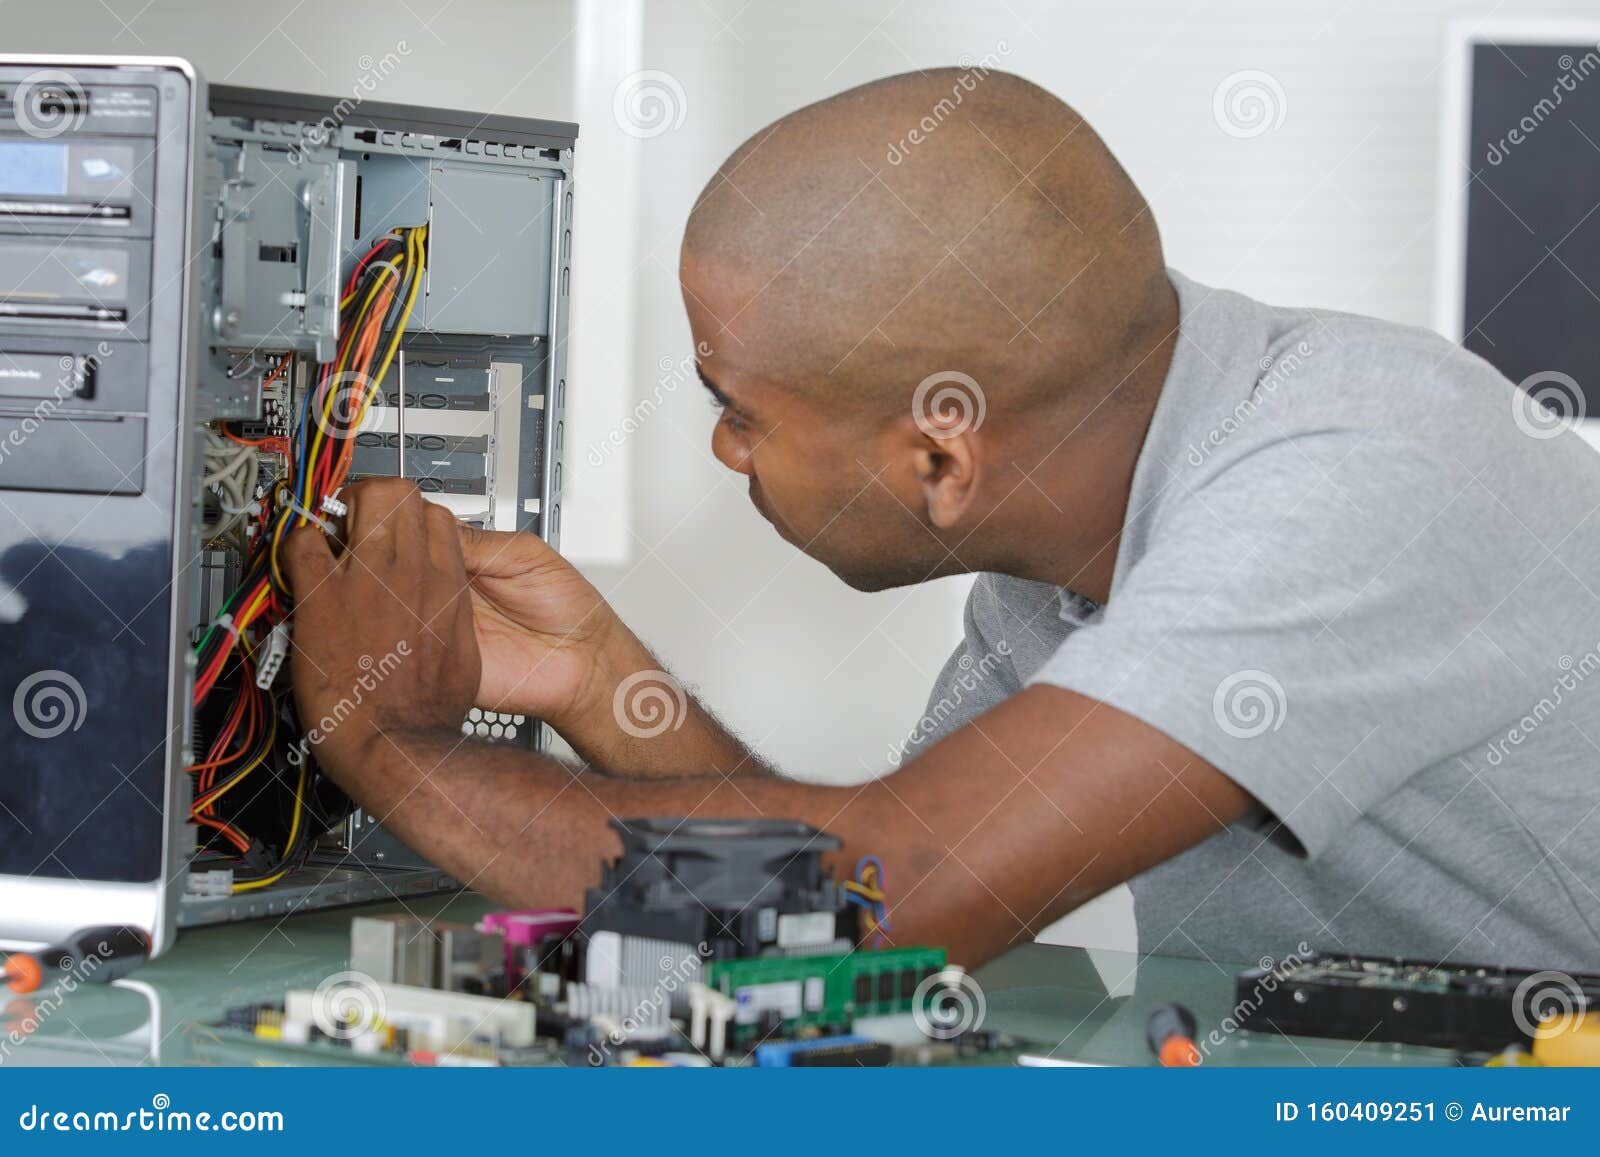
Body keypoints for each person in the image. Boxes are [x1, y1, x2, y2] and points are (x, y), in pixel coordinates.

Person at [285, 70, 1600, 970]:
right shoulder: (1082, 507)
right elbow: (881, 873)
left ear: (939, 455)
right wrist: (598, 679)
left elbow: (893, 896)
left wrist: (394, 751)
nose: (723, 447)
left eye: (738, 408)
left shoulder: (1354, 478)